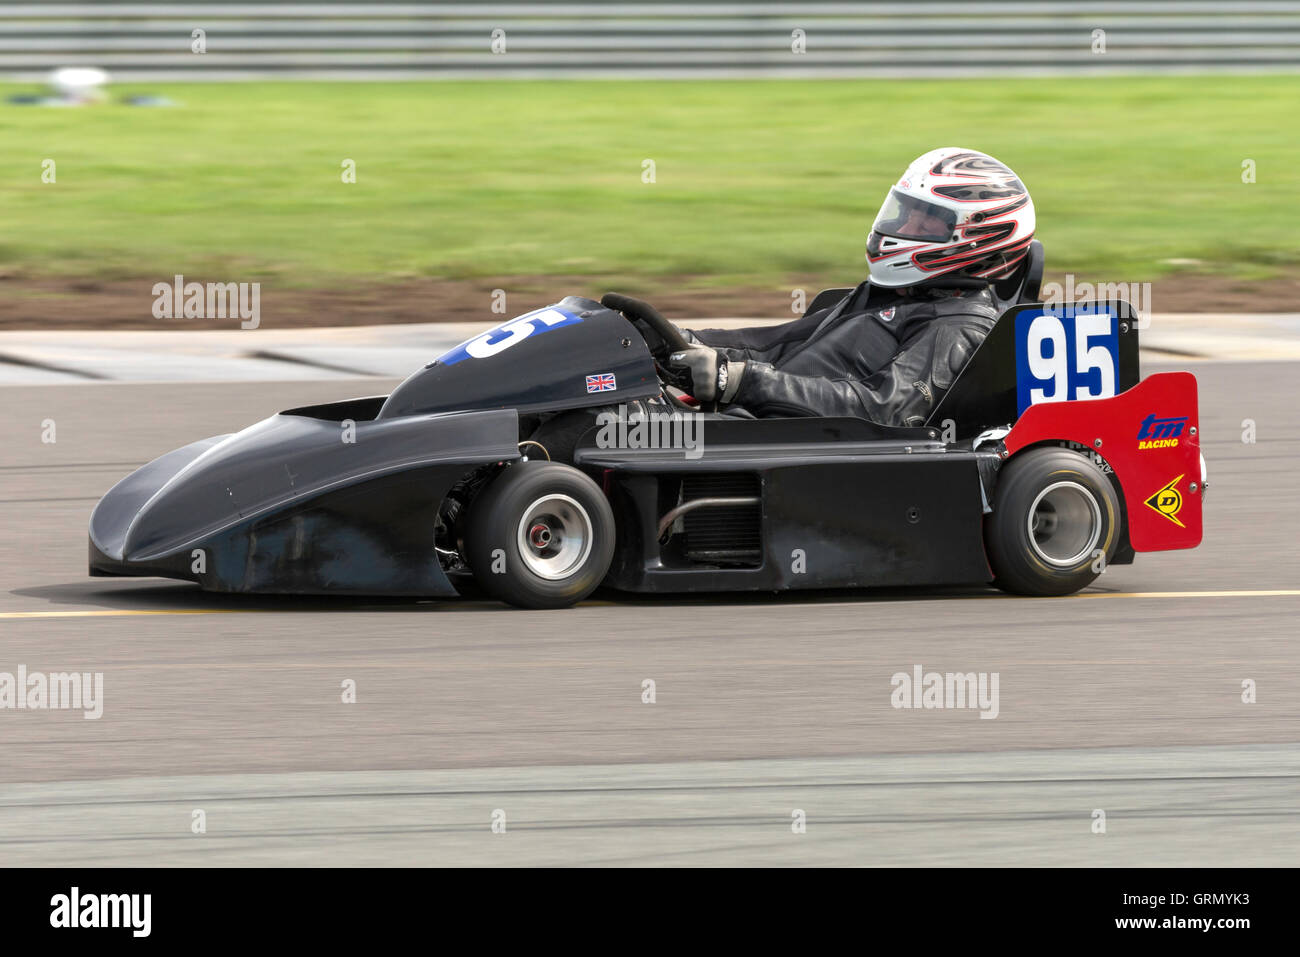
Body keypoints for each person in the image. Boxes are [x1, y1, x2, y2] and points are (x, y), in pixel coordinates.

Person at [663, 147, 1036, 427]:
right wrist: (682, 339)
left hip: (803, 451)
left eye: (926, 223)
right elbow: (777, 344)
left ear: (976, 239)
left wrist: (744, 383)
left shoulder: (959, 328)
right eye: (907, 213)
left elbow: (884, 409)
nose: (906, 227)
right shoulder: (894, 297)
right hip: (760, 422)